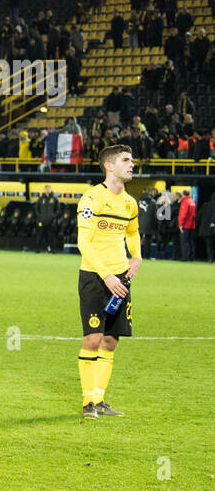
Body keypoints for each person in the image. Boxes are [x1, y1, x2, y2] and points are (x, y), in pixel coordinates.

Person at [76, 146, 140, 419]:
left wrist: (137, 256)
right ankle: (88, 402)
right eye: (126, 160)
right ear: (109, 166)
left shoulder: (130, 203)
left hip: (121, 279)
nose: (132, 164)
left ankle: (100, 399)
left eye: (133, 160)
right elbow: (84, 243)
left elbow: (133, 232)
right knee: (92, 338)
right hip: (95, 278)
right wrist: (106, 275)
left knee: (111, 340)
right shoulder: (92, 198)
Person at [34, 184, 60, 253]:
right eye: (46, 189)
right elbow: (36, 208)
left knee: (51, 236)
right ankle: (37, 249)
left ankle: (53, 250)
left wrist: (53, 217)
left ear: (51, 189)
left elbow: (58, 210)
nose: (47, 190)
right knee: (39, 236)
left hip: (51, 221)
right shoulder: (41, 199)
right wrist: (40, 216)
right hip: (42, 221)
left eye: (48, 189)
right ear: (44, 190)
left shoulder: (54, 199)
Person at [177, 189, 196, 261]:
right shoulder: (192, 201)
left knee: (184, 241)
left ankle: (185, 257)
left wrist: (181, 225)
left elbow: (183, 214)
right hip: (192, 224)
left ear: (183, 194)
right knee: (191, 241)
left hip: (186, 225)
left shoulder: (185, 202)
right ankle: (191, 257)